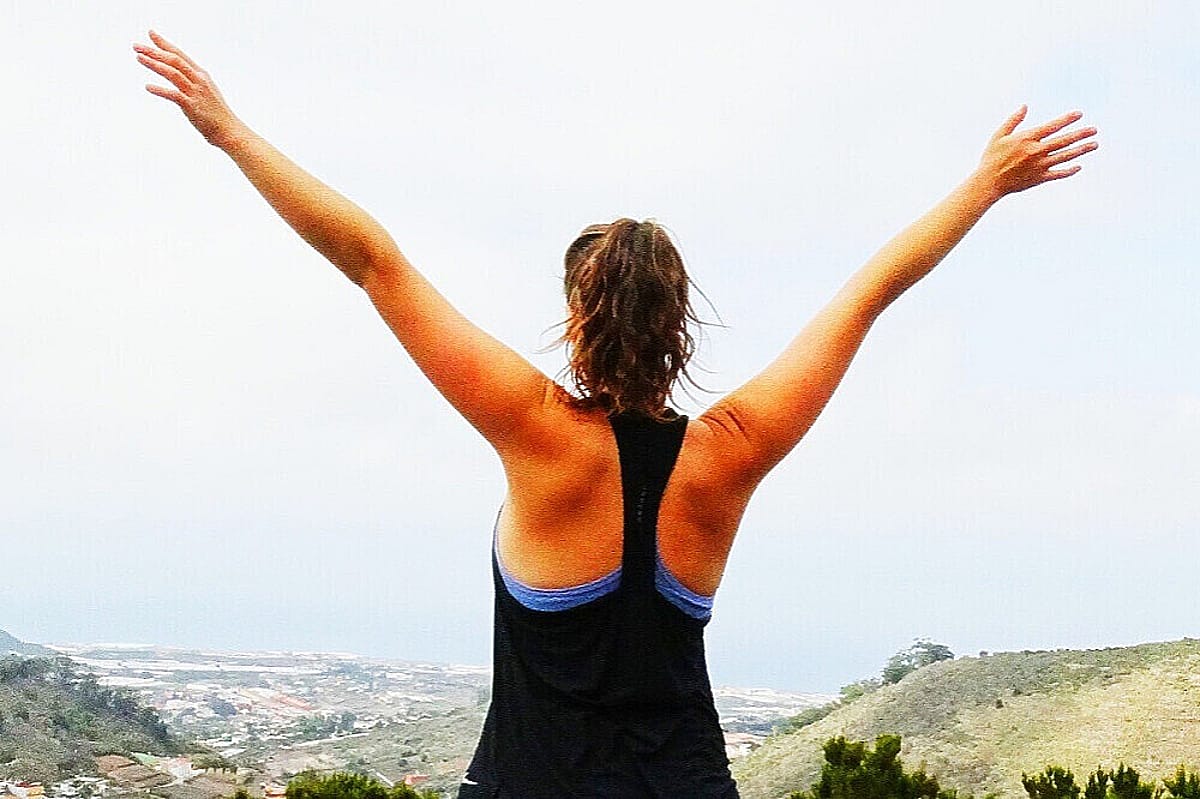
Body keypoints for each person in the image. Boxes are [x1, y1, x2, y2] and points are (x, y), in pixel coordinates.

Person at [133, 29, 1098, 799]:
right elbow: (867, 293)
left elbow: (372, 260)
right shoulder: (733, 449)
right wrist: (984, 184)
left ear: (576, 317)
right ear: (680, 322)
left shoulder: (533, 427)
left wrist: (229, 131)